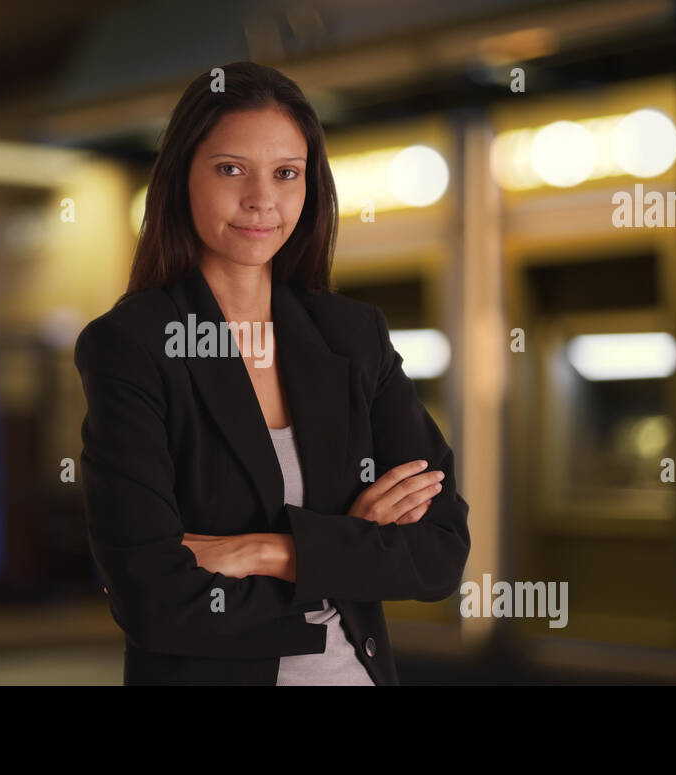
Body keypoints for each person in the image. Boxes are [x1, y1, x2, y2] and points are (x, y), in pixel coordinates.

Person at [74, 61, 471, 685]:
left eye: (286, 173)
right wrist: (344, 551)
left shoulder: (351, 336)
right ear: (183, 177)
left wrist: (268, 550)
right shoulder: (132, 346)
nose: (262, 199)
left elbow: (440, 552)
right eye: (231, 169)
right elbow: (150, 596)